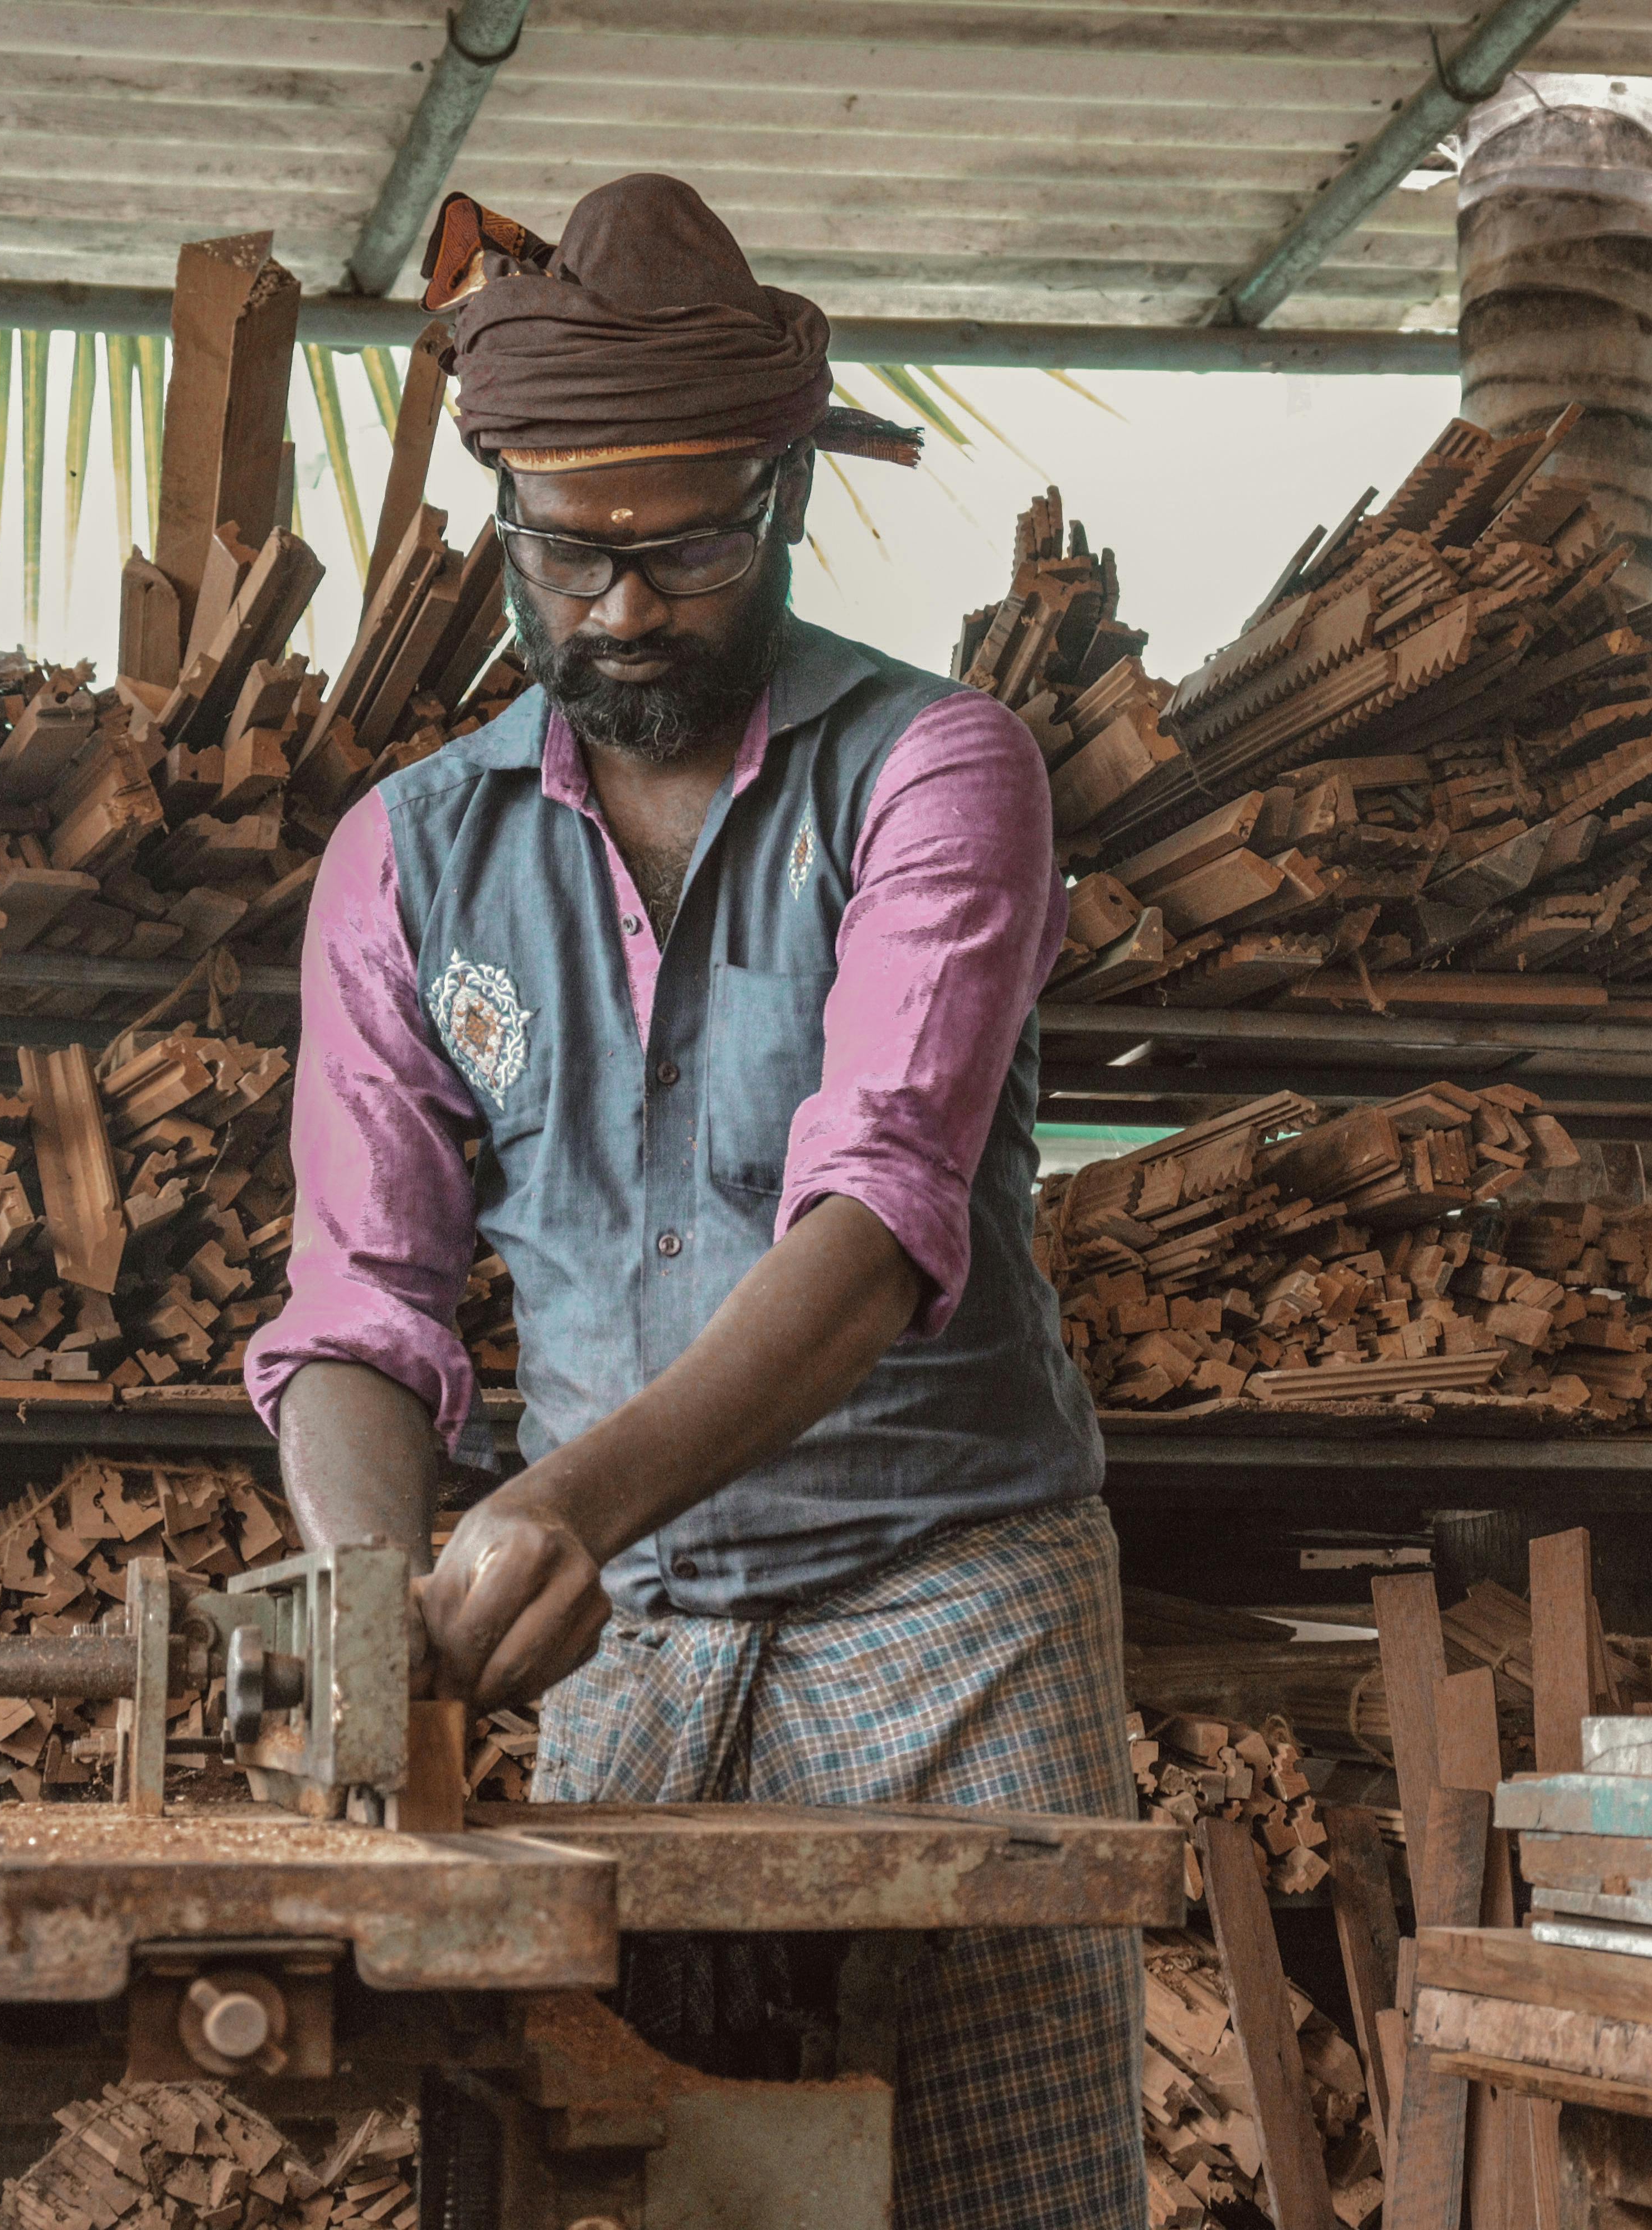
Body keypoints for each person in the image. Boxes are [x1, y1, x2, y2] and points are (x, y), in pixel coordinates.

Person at [245, 174, 1133, 2228]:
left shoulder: (935, 770)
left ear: (789, 501)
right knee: (640, 2176)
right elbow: (361, 1305)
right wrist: (385, 1620)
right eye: (570, 555)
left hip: (954, 1609)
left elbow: (876, 1222)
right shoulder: (408, 858)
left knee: (1003, 2187)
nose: (623, 609)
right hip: (622, 1648)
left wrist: (557, 1507)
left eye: (686, 547)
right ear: (505, 531)